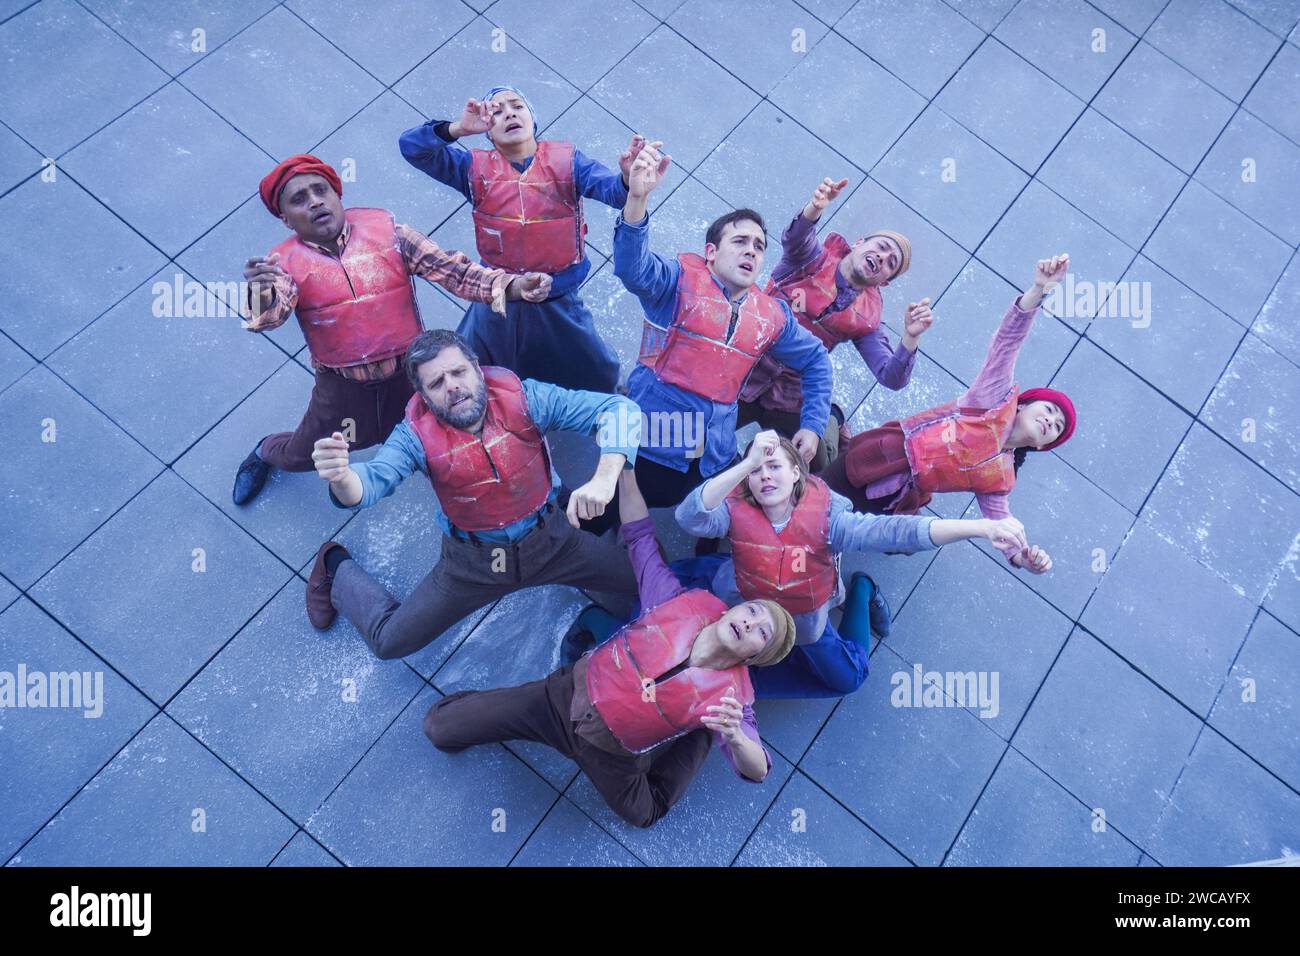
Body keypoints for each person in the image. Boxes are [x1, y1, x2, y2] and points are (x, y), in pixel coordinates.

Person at [422, 469, 795, 828]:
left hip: (615, 756)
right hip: (561, 700)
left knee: (644, 813)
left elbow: (758, 768)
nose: (751, 623)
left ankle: (700, 734)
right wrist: (624, 467)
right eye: (753, 612)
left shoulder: (733, 701)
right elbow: (639, 537)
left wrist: (734, 736)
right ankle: (698, 730)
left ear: (752, 658)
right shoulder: (672, 600)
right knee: (440, 728)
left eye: (762, 634)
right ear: (734, 608)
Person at [231, 153, 550, 505]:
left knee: (444, 437)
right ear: (286, 219)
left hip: (413, 375)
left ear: (338, 196)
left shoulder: (388, 232)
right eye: (299, 200)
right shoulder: (282, 264)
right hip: (342, 389)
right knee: (303, 454)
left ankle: (470, 489)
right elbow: (270, 315)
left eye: (320, 190)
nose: (315, 201)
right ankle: (264, 451)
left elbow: (452, 270)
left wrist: (511, 287)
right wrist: (262, 291)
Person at [303, 330, 642, 661]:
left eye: (458, 372)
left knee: (647, 578)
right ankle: (336, 567)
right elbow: (371, 482)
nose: (452, 386)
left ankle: (620, 548)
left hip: (553, 541)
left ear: (477, 369)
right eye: (436, 383)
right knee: (389, 643)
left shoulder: (525, 398)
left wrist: (604, 478)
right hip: (473, 565)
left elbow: (620, 411)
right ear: (423, 397)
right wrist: (343, 477)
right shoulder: (413, 436)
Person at [673, 430, 1033, 697]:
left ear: (797, 472)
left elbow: (897, 532)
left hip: (802, 619)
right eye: (757, 471)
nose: (765, 475)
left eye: (774, 466)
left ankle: (862, 591)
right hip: (740, 597)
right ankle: (730, 664)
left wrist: (981, 526)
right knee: (672, 587)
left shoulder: (831, 522)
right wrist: (747, 464)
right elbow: (690, 516)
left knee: (848, 678)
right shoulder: (736, 510)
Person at [603, 143, 833, 517]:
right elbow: (633, 267)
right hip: (651, 444)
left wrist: (814, 423)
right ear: (711, 252)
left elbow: (816, 359)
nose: (751, 251)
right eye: (740, 241)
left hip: (712, 457)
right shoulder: (675, 282)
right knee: (612, 512)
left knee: (696, 510)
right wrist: (636, 200)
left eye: (759, 246)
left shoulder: (772, 314)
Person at [821, 255, 1079, 576]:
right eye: (1050, 411)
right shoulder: (994, 397)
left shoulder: (1000, 479)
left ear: (1042, 446)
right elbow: (1007, 341)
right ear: (1026, 404)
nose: (1050, 422)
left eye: (1056, 428)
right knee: (816, 497)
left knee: (852, 535)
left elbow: (1001, 524)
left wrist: (1022, 556)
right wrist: (1039, 289)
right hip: (880, 455)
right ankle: (827, 434)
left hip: (898, 495)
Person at [399, 86, 647, 392]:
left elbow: (613, 192)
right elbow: (412, 148)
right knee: (474, 367)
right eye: (497, 111)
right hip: (498, 291)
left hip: (557, 294)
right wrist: (458, 129)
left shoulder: (568, 161)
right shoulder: (471, 168)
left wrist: (627, 177)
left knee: (595, 368)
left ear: (532, 118)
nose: (509, 113)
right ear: (488, 131)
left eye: (517, 106)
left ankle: (611, 402)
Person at [738, 176, 932, 471]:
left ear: (885, 282)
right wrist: (814, 208)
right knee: (692, 434)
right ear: (858, 244)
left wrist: (910, 338)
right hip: (743, 366)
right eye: (881, 247)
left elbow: (891, 377)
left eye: (890, 263)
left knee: (815, 463)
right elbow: (795, 238)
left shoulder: (867, 318)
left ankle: (831, 421)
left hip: (788, 393)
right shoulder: (811, 259)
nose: (882, 257)